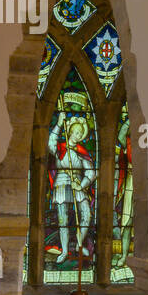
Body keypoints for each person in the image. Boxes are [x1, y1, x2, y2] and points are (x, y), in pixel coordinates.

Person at [47, 112, 96, 261]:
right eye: (75, 132)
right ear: (70, 132)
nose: (77, 135)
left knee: (86, 215)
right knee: (63, 219)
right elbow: (51, 142)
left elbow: (91, 173)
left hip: (77, 184)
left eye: (80, 133)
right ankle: (64, 250)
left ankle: (79, 245)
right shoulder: (60, 148)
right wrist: (59, 123)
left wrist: (81, 185)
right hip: (62, 184)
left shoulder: (82, 152)